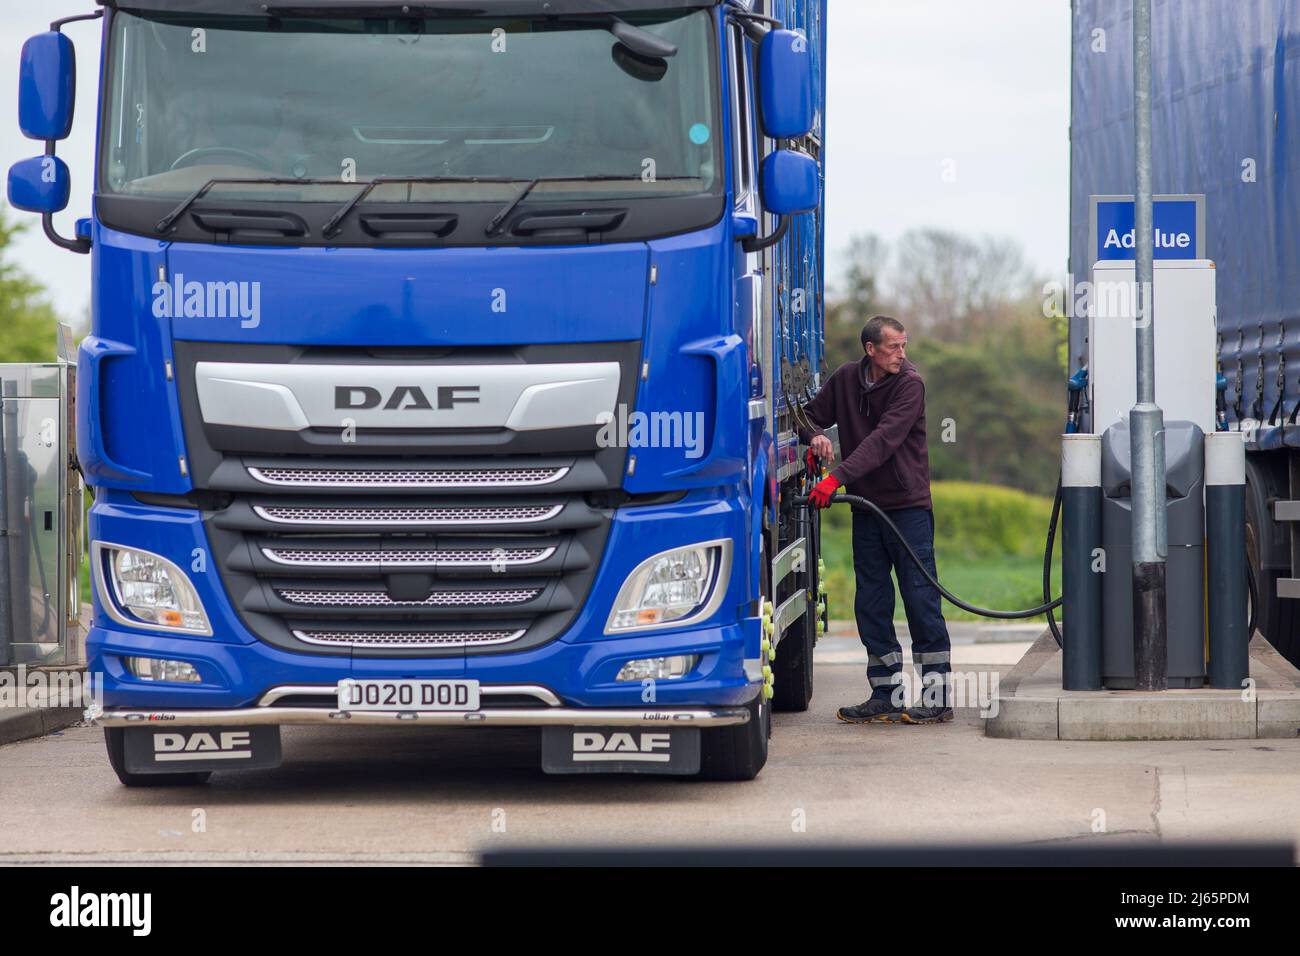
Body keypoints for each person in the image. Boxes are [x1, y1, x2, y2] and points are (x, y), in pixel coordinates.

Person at [801, 315, 953, 724]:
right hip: (867, 508)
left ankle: (937, 699)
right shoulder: (847, 378)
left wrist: (837, 477)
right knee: (872, 602)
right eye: (894, 347)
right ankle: (885, 693)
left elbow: (883, 440)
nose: (902, 354)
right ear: (871, 349)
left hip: (907, 508)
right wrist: (815, 434)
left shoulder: (910, 385)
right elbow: (809, 414)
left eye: (904, 345)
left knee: (920, 600)